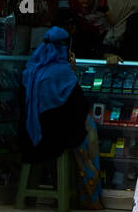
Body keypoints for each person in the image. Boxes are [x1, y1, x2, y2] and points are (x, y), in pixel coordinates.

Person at [20, 26, 89, 165]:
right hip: (55, 141)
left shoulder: (30, 71)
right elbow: (80, 107)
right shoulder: (63, 73)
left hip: (27, 140)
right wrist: (72, 71)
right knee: (90, 128)